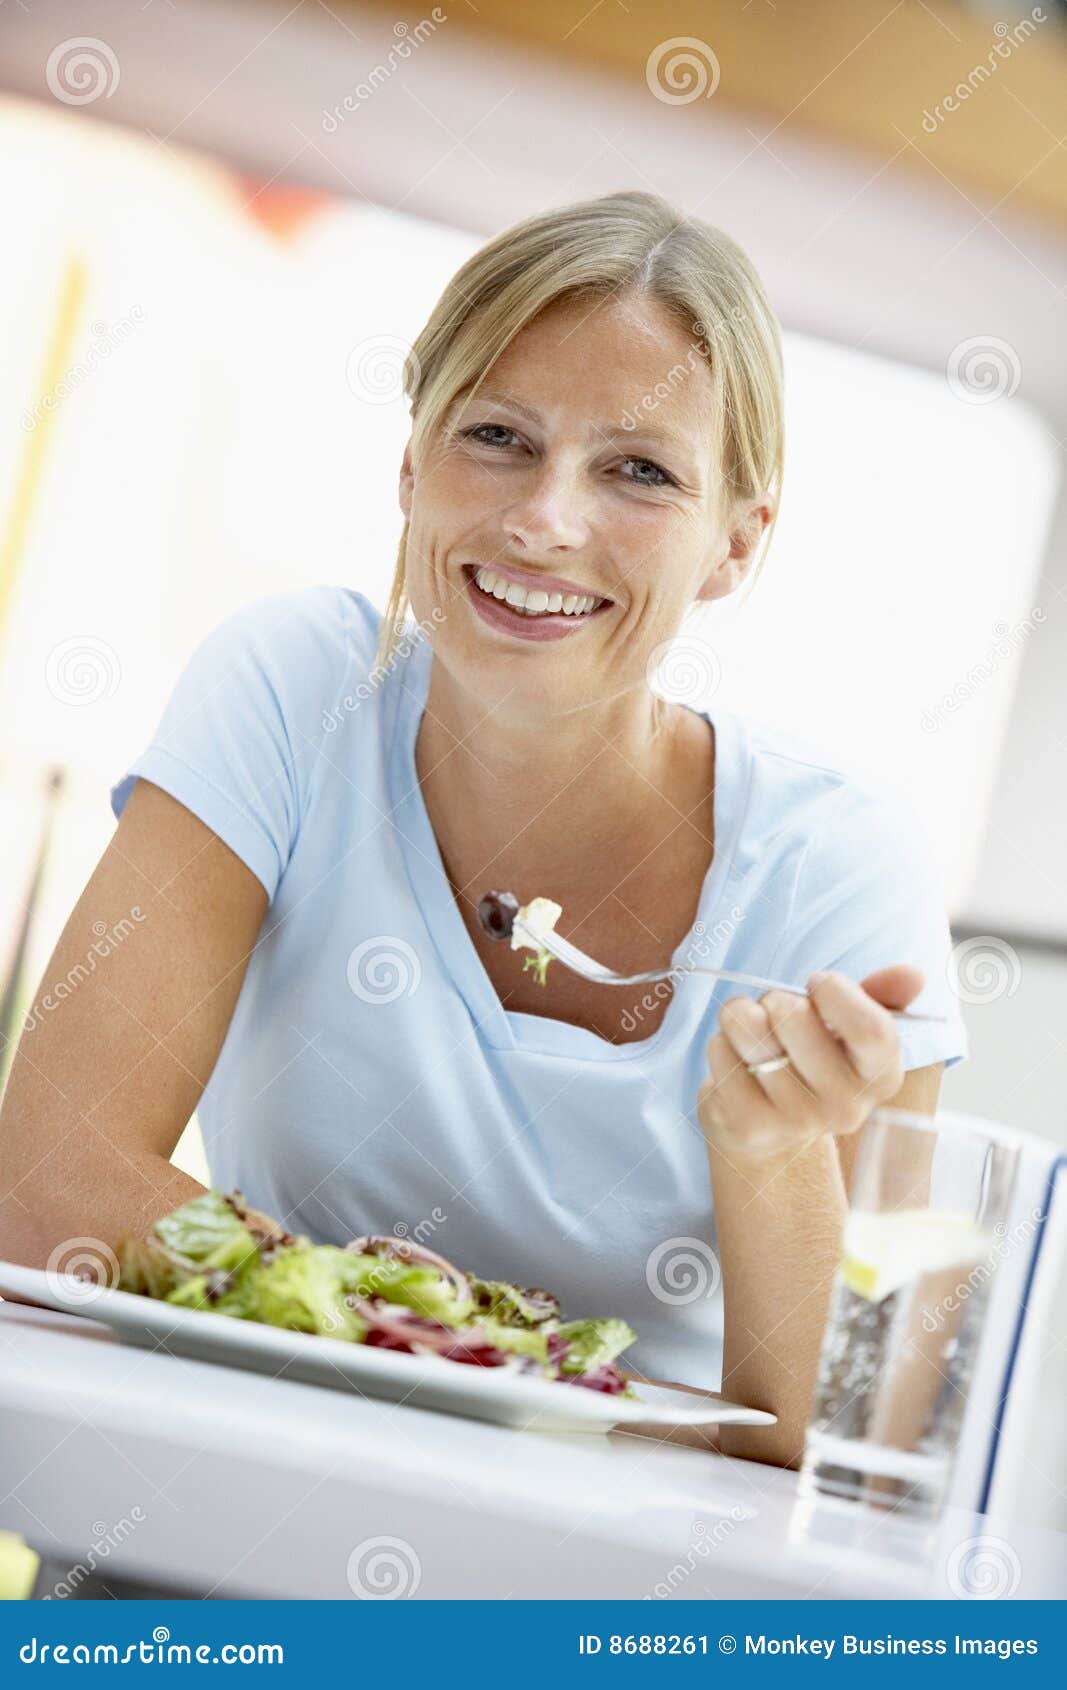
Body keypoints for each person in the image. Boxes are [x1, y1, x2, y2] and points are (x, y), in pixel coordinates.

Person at [0, 190, 967, 1466]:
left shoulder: (839, 869)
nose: (544, 520)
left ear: (736, 543)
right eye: (498, 437)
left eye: (638, 470)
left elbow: (861, 1437)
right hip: (219, 1506)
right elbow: (47, 1182)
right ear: (411, 466)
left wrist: (774, 1151)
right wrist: (438, 1332)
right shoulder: (293, 690)